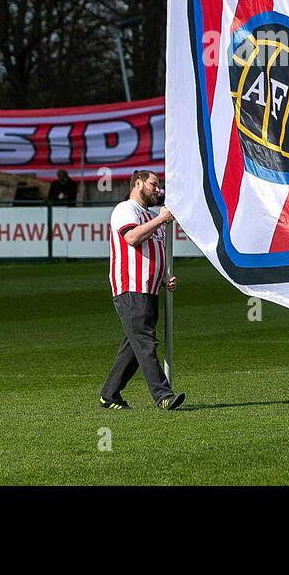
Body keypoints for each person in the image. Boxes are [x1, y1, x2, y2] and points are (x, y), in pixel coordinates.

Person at [99, 169, 184, 411]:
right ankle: (163, 395)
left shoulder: (150, 216)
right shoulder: (126, 209)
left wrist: (163, 278)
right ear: (138, 183)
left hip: (149, 290)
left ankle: (109, 394)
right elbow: (132, 238)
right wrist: (161, 219)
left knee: (134, 346)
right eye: (153, 184)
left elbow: (151, 253)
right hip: (131, 288)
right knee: (145, 343)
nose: (158, 190)